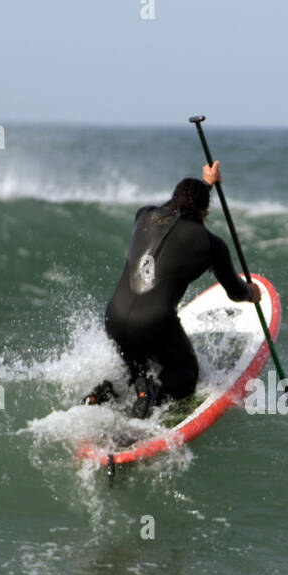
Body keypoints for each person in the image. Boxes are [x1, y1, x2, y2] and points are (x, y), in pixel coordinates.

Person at [84, 161, 260, 418]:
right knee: (186, 373)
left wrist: (206, 185)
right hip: (154, 324)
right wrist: (251, 293)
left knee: (133, 372)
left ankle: (100, 394)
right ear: (204, 209)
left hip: (115, 317)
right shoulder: (211, 245)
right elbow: (235, 292)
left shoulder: (143, 215)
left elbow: (176, 207)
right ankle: (153, 392)